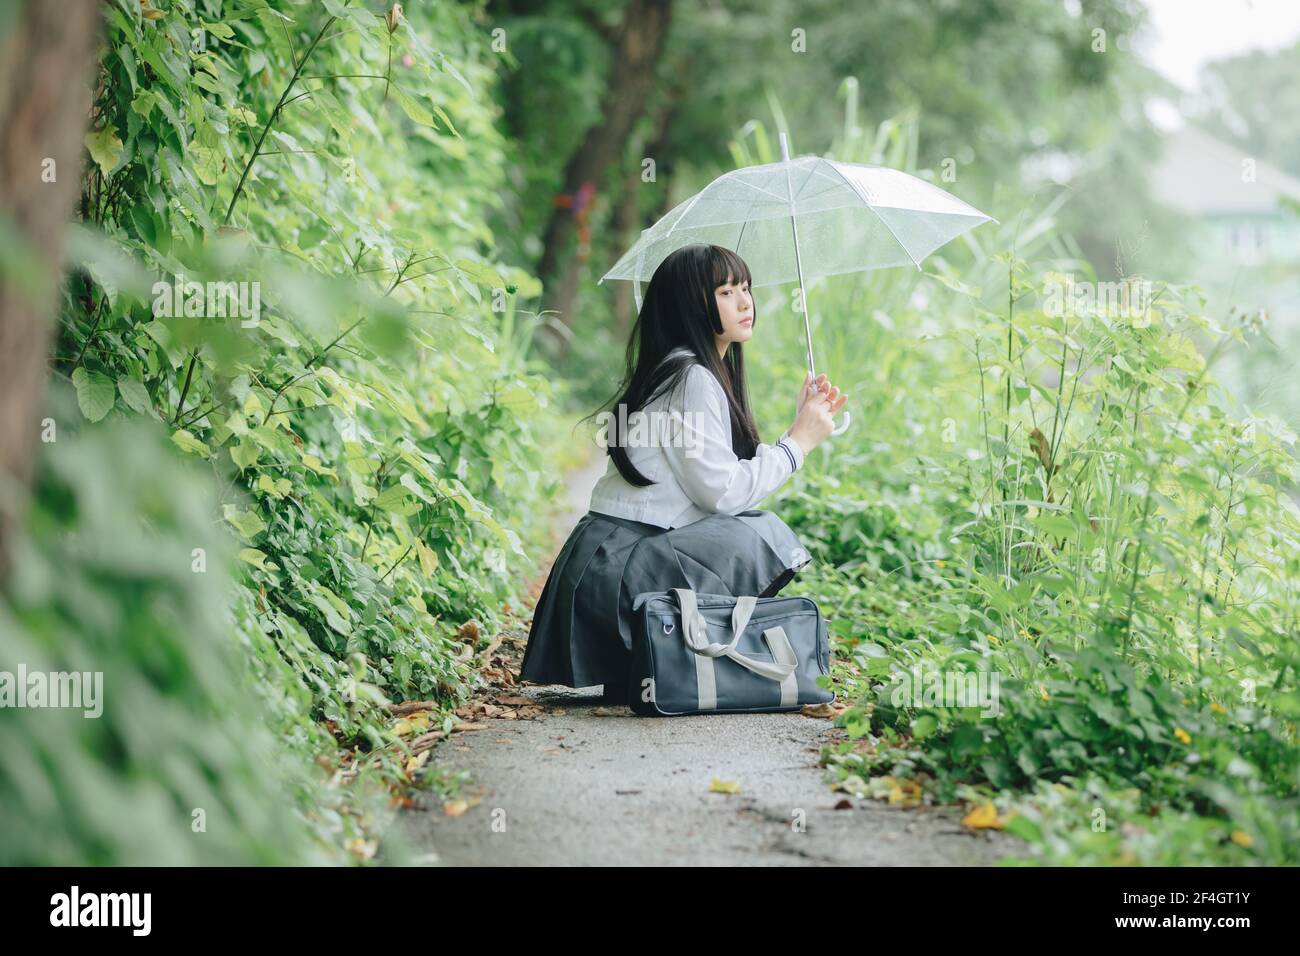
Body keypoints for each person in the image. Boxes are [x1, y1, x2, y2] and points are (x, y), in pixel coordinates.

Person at [518, 242, 849, 704]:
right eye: (726, 291)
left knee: (749, 530)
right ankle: (662, 650)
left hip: (606, 564)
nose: (745, 301)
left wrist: (800, 423)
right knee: (759, 534)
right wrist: (798, 442)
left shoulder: (682, 371)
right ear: (691, 303)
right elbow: (726, 494)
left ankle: (662, 653)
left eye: (746, 288)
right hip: (617, 570)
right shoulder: (691, 379)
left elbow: (717, 483)